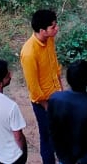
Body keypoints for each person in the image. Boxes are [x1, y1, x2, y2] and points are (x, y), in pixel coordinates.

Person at [20, 9, 62, 164]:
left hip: (56, 96)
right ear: (42, 30)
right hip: (43, 103)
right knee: (47, 138)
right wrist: (47, 107)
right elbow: (34, 87)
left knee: (58, 133)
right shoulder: (29, 53)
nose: (56, 28)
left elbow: (55, 67)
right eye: (53, 27)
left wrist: (61, 92)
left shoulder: (49, 39)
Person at [47, 60, 87, 164]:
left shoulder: (54, 100)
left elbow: (52, 132)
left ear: (68, 78)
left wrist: (61, 155)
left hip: (65, 159)